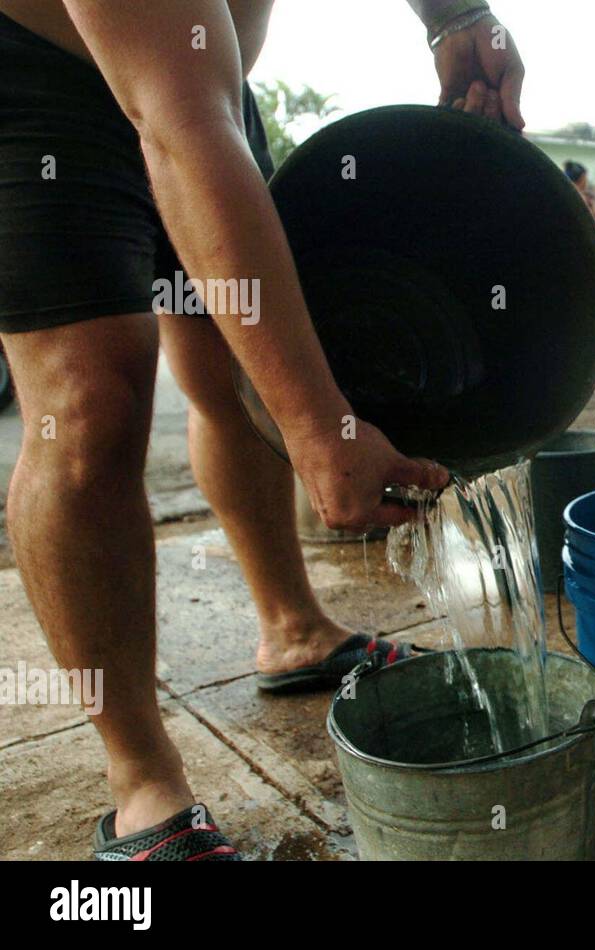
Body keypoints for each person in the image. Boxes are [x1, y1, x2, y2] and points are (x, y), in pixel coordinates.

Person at [0, 0, 522, 860]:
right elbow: (175, 122)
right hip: (37, 76)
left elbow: (191, 106)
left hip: (204, 81)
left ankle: (294, 627)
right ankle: (141, 783)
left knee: (247, 371)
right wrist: (322, 428)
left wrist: (455, 15)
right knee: (89, 406)